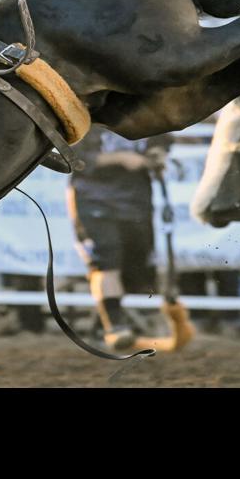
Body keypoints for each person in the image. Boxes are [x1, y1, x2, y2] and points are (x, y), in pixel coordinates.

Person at [67, 126, 171, 349]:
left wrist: (157, 152)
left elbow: (161, 137)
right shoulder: (89, 115)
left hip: (137, 200)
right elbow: (73, 157)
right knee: (106, 260)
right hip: (93, 198)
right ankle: (114, 326)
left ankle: (105, 323)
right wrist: (119, 158)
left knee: (138, 263)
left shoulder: (145, 113)